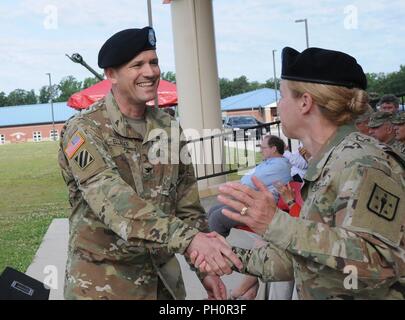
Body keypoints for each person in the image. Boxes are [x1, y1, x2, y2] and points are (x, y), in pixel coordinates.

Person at [192, 47, 405, 299]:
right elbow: (309, 256)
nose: (279, 105)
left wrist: (275, 223)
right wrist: (228, 256)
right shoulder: (332, 160)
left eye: (282, 96)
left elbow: (381, 261)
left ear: (305, 102)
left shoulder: (361, 162)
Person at [58, 27, 241, 300]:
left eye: (153, 62)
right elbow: (114, 203)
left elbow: (186, 205)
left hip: (164, 285)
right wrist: (191, 241)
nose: (151, 72)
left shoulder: (168, 128)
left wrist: (205, 270)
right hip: (104, 287)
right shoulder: (84, 130)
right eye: (137, 65)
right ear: (111, 74)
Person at [207, 135, 291, 237]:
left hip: (263, 209)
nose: (260, 151)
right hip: (254, 202)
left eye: (263, 148)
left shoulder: (279, 166)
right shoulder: (270, 162)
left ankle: (217, 250)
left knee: (217, 218)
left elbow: (249, 181)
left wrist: (241, 184)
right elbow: (248, 179)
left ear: (273, 149)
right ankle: (209, 244)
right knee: (213, 210)